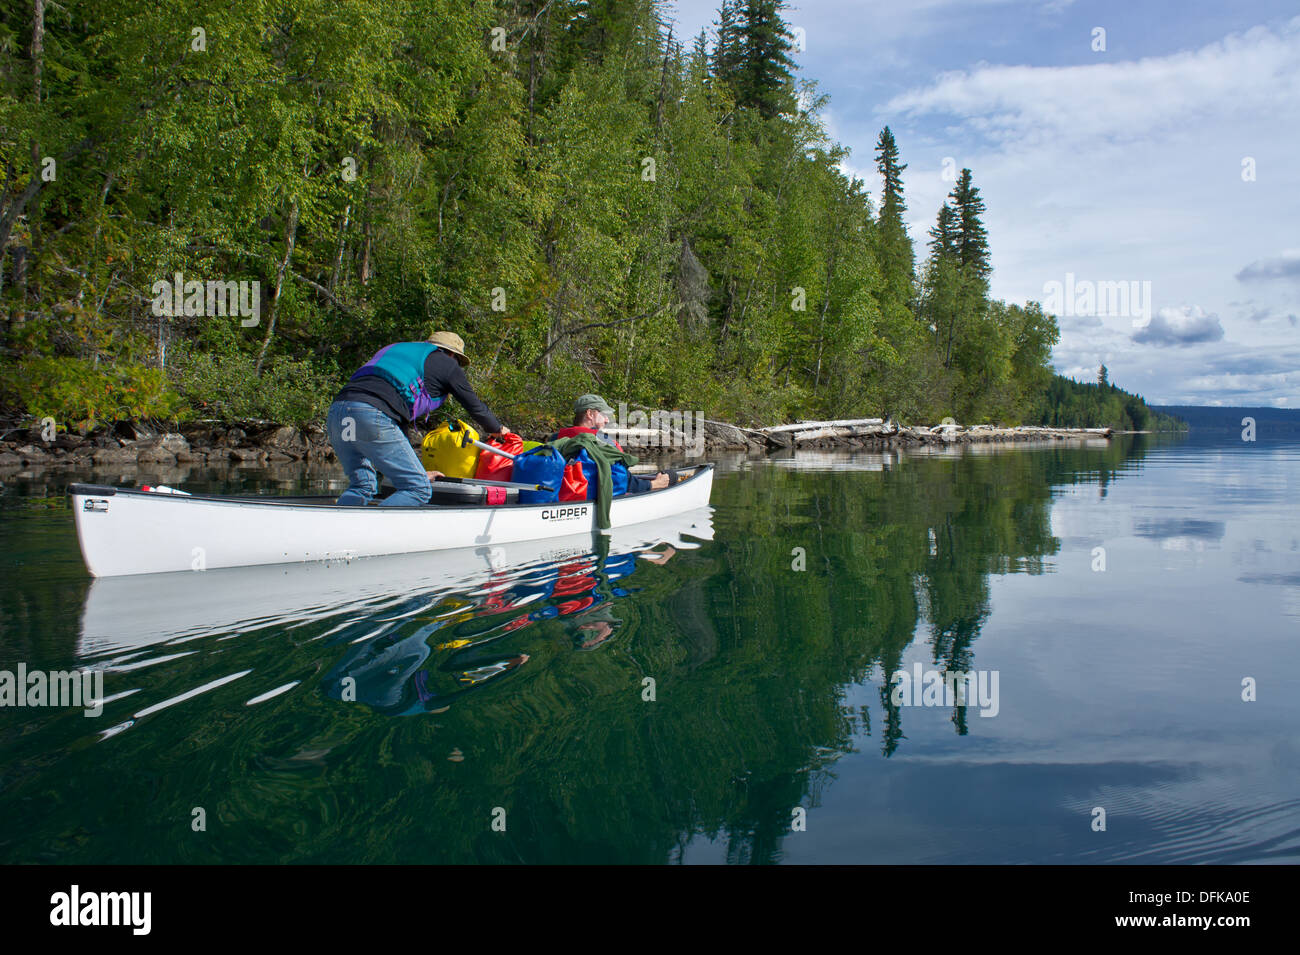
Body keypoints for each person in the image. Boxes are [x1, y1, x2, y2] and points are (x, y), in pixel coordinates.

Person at [327, 331, 508, 506]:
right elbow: (474, 406)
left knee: (362, 485)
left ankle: (339, 528)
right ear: (452, 354)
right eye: (459, 361)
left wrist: (417, 471)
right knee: (418, 488)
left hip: (339, 413)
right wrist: (497, 429)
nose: (458, 366)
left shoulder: (396, 350)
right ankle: (373, 531)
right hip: (372, 413)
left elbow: (397, 423)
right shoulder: (447, 363)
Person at [546, 394, 674, 492]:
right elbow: (623, 479)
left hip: (562, 492)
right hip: (593, 493)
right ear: (590, 414)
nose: (607, 420)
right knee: (671, 476)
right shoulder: (604, 441)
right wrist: (654, 484)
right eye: (604, 414)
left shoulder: (555, 439)